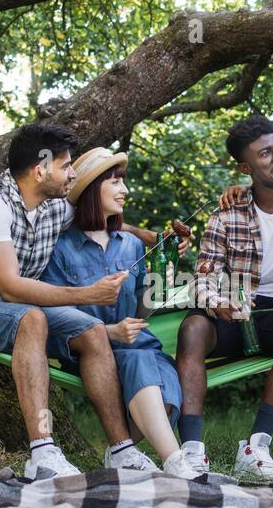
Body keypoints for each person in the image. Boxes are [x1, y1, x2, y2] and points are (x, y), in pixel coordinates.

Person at [0, 123, 156, 479]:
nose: (73, 174)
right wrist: (87, 294)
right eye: (66, 166)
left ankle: (121, 450)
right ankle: (42, 454)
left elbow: (99, 222)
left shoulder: (54, 207)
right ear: (40, 170)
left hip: (17, 305)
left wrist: (150, 236)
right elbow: (10, 289)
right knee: (32, 318)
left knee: (92, 330)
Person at [176, 116, 273, 482]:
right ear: (246, 167)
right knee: (193, 327)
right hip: (235, 312)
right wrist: (217, 304)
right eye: (265, 154)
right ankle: (191, 452)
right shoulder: (226, 214)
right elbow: (203, 278)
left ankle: (256, 447)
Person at [41, 148, 203, 479]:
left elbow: (142, 312)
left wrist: (157, 289)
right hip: (93, 352)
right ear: (90, 190)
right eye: (115, 182)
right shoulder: (58, 248)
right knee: (141, 365)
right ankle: (176, 464)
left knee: (167, 394)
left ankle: (121, 452)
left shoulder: (130, 245)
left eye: (123, 182)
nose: (124, 190)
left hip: (139, 344)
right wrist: (109, 332)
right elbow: (54, 315)